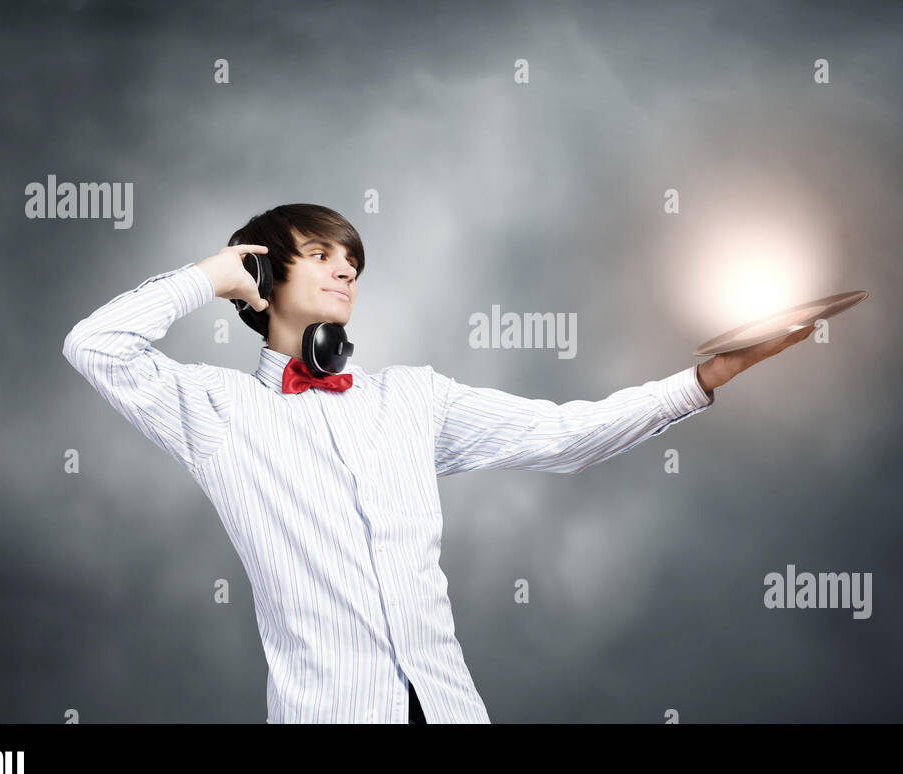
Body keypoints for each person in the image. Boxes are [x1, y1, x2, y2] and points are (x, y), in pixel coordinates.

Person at [61, 203, 814, 723]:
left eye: (351, 260)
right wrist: (207, 275)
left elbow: (564, 436)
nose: (345, 270)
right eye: (320, 256)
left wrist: (706, 379)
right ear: (261, 284)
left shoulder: (414, 398)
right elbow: (94, 346)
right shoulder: (217, 411)